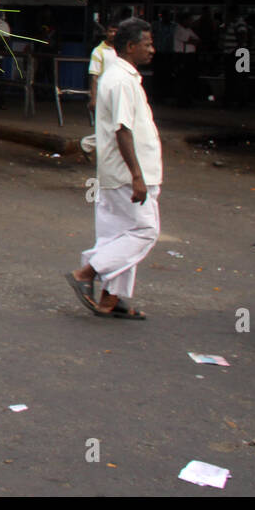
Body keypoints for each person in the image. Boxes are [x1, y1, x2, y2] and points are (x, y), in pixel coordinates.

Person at [66, 18, 161, 319]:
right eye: (147, 44)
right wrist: (137, 176)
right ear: (131, 46)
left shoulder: (121, 76)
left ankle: (112, 298)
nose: (152, 50)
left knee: (118, 235)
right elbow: (123, 130)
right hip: (126, 174)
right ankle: (86, 272)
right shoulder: (120, 80)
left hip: (116, 173)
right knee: (145, 231)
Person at [86, 22, 117, 116]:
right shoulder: (98, 51)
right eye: (110, 31)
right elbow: (94, 76)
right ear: (106, 33)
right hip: (104, 94)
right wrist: (93, 99)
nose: (112, 34)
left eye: (115, 32)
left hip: (118, 92)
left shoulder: (123, 51)